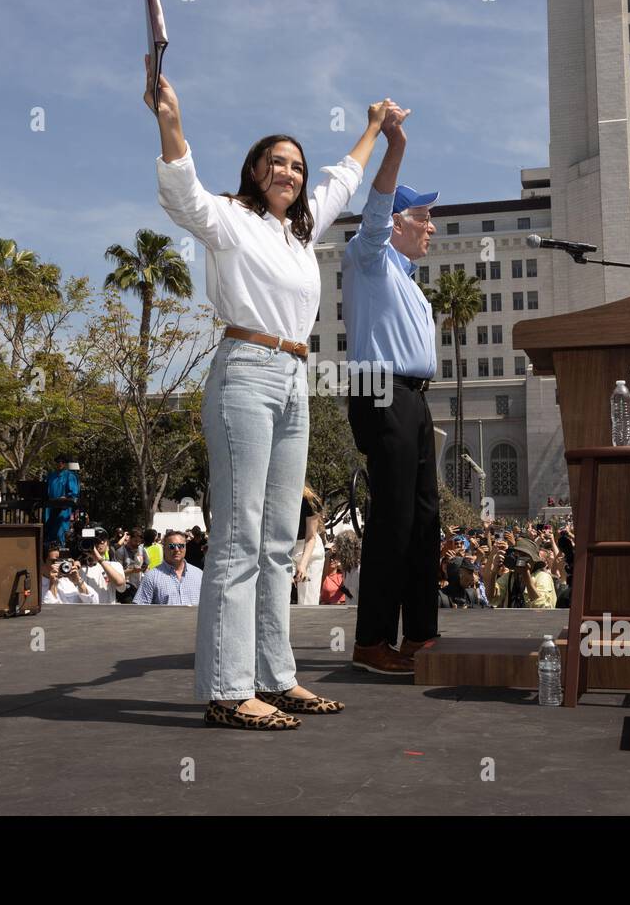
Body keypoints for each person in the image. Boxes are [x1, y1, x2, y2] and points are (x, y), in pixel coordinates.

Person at [149, 54, 389, 728]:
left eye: (296, 165)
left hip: (294, 380)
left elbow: (345, 178)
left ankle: (275, 677)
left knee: (280, 539)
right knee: (238, 539)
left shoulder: (299, 233)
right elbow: (181, 193)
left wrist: (372, 127)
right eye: (276, 162)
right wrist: (171, 120)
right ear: (255, 171)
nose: (289, 171)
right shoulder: (229, 218)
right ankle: (227, 691)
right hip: (245, 372)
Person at [341, 101, 441, 675]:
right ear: (397, 222)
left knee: (425, 516)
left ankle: (419, 635)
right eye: (423, 216)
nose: (430, 227)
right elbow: (375, 208)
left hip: (411, 398)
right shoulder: (370, 257)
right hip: (382, 390)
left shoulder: (407, 282)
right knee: (394, 517)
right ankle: (371, 641)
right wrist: (394, 145)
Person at [133, 530, 203, 606]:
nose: (176, 549)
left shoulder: (199, 574)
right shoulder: (151, 577)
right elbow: (140, 611)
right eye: (172, 546)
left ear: (185, 548)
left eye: (181, 546)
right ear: (164, 548)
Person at [292, 486, 324, 605]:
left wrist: (303, 565)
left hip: (310, 551)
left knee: (307, 602)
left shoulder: (310, 501)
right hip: (286, 548)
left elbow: (311, 537)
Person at [43, 455, 78, 546]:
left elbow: (73, 493)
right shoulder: (51, 476)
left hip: (63, 508)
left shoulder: (70, 476)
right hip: (50, 507)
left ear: (65, 464)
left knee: (60, 531)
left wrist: (66, 498)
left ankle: (61, 551)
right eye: (58, 462)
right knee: (49, 530)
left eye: (62, 462)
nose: (60, 464)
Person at [80, 539, 128, 605]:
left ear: (108, 547)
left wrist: (99, 559)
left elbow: (120, 583)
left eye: (103, 540)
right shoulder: (81, 567)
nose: (100, 543)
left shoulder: (115, 565)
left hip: (107, 612)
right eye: (96, 541)